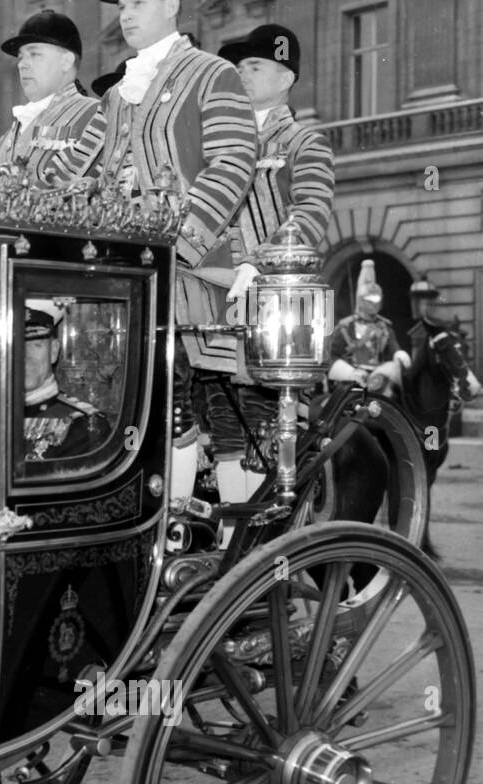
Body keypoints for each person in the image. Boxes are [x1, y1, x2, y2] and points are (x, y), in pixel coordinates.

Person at [38, 0, 257, 509]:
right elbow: (77, 171)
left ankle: (178, 529)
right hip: (121, 278)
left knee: (176, 404)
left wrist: (174, 242)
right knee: (124, 401)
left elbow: (233, 162)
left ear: (170, 5)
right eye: (123, 5)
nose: (126, 14)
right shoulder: (115, 96)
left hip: (185, 275)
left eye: (138, 2)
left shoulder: (211, 74)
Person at [204, 23, 335, 524]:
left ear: (286, 78)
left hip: (272, 306)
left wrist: (255, 262)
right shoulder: (220, 146)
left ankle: (261, 532)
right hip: (217, 297)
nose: (241, 74)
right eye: (238, 67)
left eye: (254, 66)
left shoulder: (303, 141)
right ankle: (226, 531)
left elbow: (311, 215)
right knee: (218, 413)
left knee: (259, 416)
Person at [0, 11, 98, 173]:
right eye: (21, 57)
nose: (22, 65)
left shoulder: (96, 116)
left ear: (66, 61)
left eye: (34, 54)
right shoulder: (4, 141)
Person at [22, 301, 111, 461]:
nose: (25, 357)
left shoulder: (84, 426)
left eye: (36, 345)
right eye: (15, 347)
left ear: (54, 351)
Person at [329, 259, 408, 394]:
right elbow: (332, 356)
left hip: (380, 377)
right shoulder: (345, 327)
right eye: (370, 300)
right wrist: (350, 373)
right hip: (351, 377)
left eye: (377, 300)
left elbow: (393, 348)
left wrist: (399, 355)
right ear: (361, 301)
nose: (374, 304)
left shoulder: (385, 327)